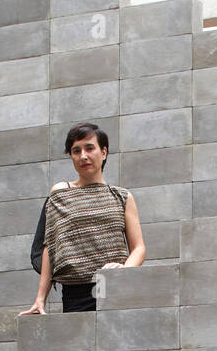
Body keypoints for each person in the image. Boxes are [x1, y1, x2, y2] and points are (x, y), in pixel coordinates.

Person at [22, 122, 145, 315]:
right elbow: (50, 246)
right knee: (78, 343)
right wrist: (40, 299)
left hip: (115, 287)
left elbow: (139, 247)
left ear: (103, 152)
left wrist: (123, 271)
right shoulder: (60, 193)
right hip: (75, 290)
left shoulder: (122, 197)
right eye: (76, 151)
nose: (83, 156)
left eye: (90, 148)